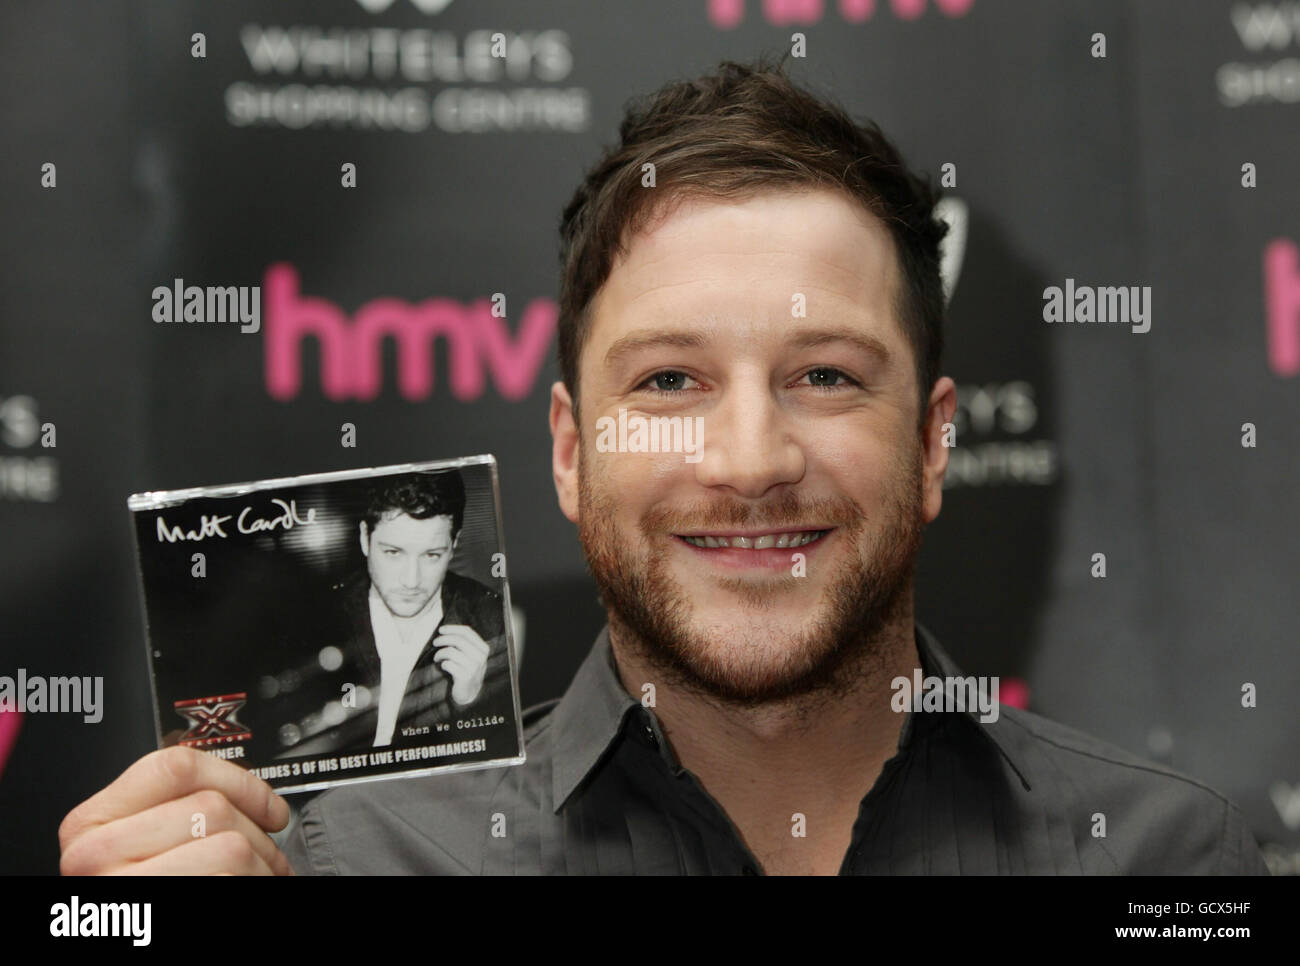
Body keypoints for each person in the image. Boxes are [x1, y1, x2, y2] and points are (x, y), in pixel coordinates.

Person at [58, 56, 1268, 876]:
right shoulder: (353, 868)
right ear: (573, 454)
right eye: (670, 381)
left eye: (826, 376)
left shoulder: (1163, 858)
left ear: (937, 439)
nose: (747, 462)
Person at [266, 471, 510, 758]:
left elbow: (508, 760)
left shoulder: (492, 618)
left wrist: (469, 700)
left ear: (453, 546)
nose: (411, 580)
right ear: (365, 539)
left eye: (432, 555)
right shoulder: (314, 617)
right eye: (393, 553)